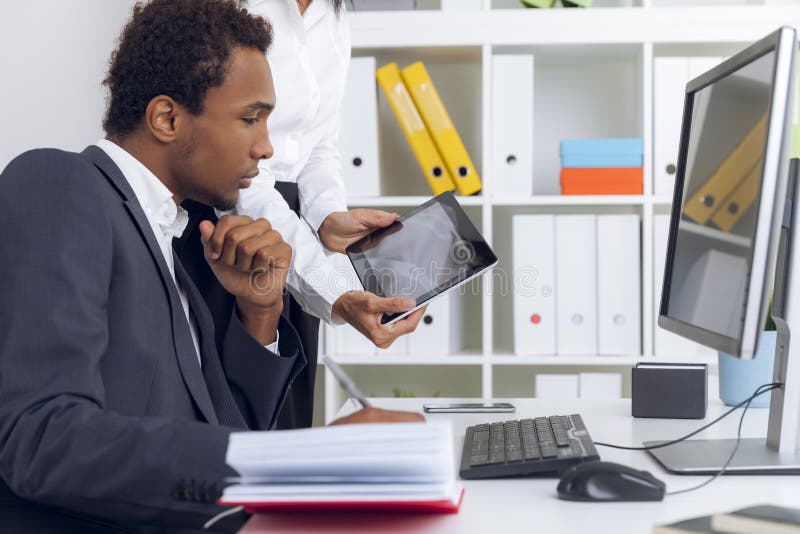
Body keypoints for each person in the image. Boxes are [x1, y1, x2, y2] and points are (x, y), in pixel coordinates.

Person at [0, 1, 422, 532]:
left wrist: (261, 312)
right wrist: (308, 459)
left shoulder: (178, 240)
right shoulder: (60, 183)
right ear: (167, 118)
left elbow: (228, 428)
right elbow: (39, 438)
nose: (267, 147)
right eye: (250, 119)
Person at [178, 0, 425, 429]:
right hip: (226, 226)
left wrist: (327, 217)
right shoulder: (236, 9)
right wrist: (335, 292)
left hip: (294, 232)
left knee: (287, 413)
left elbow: (319, 144)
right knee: (231, 423)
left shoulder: (333, 14)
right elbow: (240, 172)